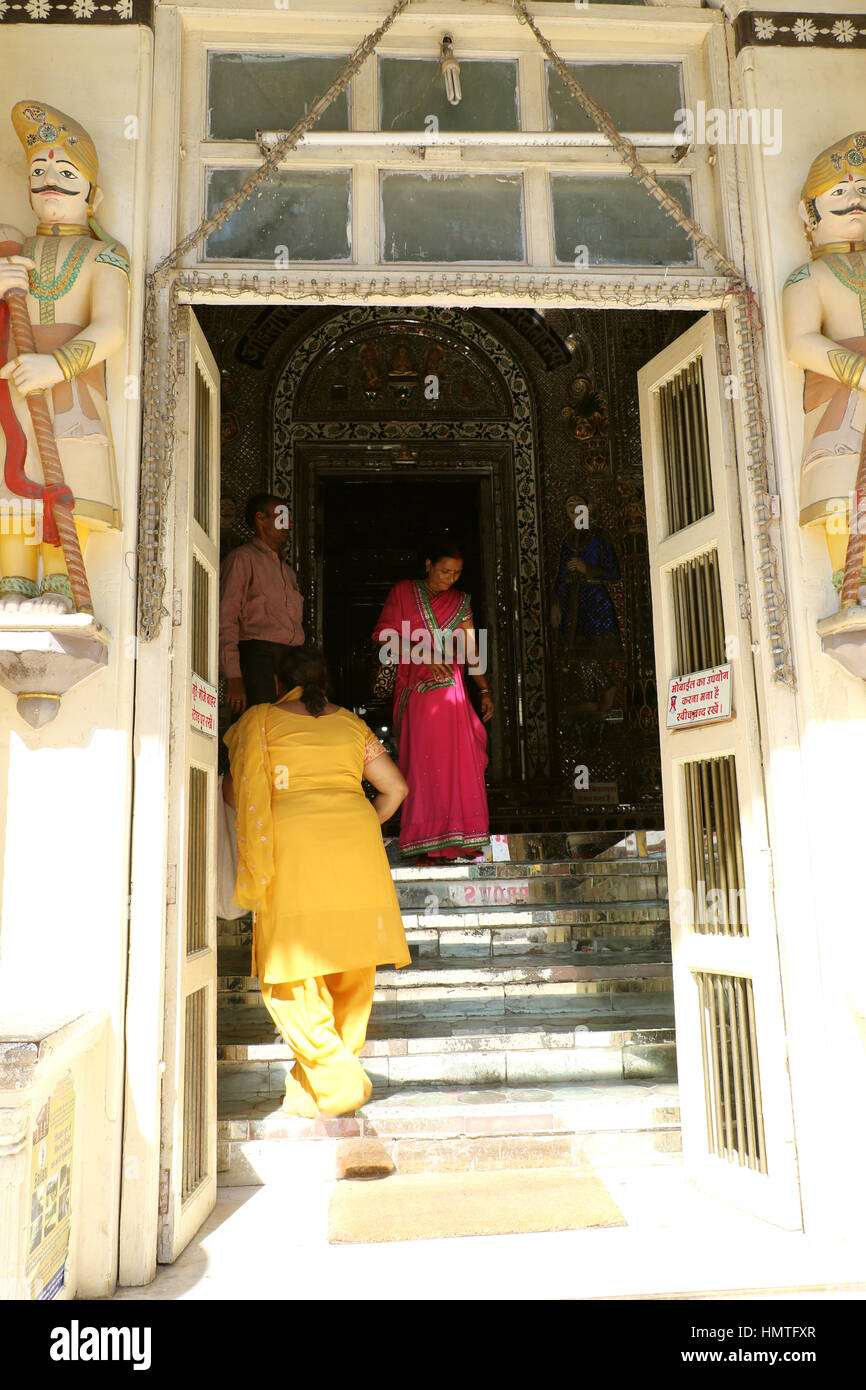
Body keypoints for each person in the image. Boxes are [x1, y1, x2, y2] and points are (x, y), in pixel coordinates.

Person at [223, 645, 409, 1117]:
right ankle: (315, 1087)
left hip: (293, 845)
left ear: (280, 682)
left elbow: (232, 791)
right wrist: (363, 822)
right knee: (352, 962)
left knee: (290, 966)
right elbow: (396, 788)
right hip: (355, 839)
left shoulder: (260, 721)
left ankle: (337, 1080)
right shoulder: (352, 725)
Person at [0, 100, 128, 613]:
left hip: (73, 389)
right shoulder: (14, 251)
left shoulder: (106, 257)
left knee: (67, 479)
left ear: (92, 195)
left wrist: (57, 365)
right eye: (39, 171)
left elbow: (114, 327)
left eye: (65, 172)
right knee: (13, 473)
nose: (50, 180)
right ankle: (11, 581)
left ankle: (58, 582)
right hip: (14, 383)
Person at [372, 538, 492, 862]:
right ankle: (426, 842)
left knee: (460, 764)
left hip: (452, 694)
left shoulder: (460, 601)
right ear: (428, 565)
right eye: (444, 571)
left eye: (456, 573)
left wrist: (483, 689)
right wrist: (419, 651)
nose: (450, 579)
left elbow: (470, 650)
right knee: (424, 767)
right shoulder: (403, 592)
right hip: (418, 695)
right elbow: (383, 637)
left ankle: (460, 840)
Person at [219, 492, 305, 714]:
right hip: (259, 660)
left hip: (292, 662)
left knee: (291, 729)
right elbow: (225, 619)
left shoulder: (288, 572)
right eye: (282, 516)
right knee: (262, 727)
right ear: (261, 518)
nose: (290, 523)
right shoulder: (242, 559)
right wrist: (234, 677)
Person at [551, 493, 624, 712]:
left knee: (595, 651)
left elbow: (614, 572)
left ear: (589, 508)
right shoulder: (568, 541)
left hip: (596, 603)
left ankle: (607, 690)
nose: (574, 509)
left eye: (578, 504)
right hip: (574, 603)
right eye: (569, 506)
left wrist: (586, 568)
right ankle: (593, 698)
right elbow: (561, 577)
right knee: (576, 653)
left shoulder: (600, 537)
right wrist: (556, 603)